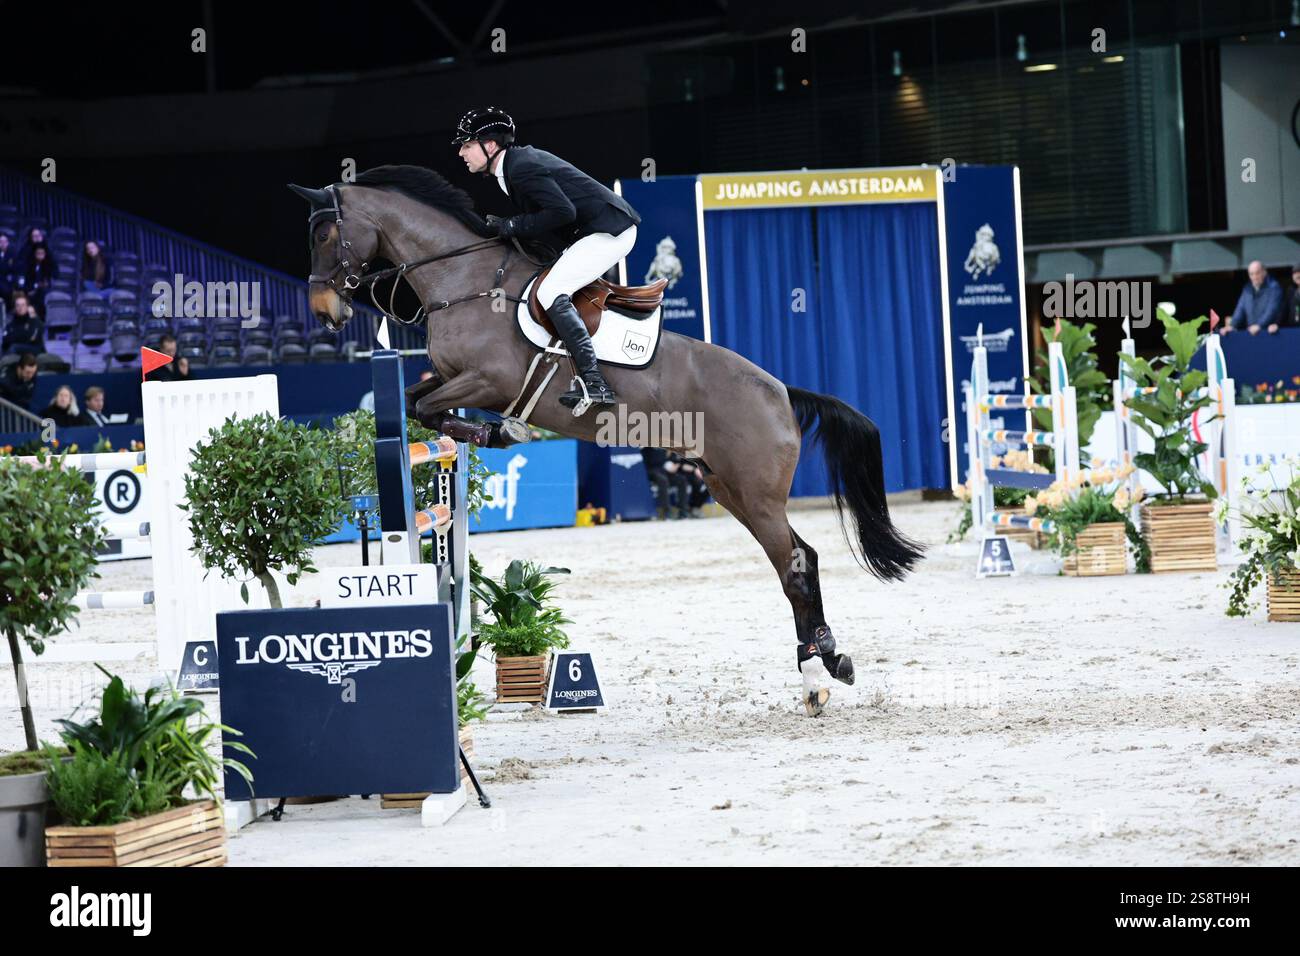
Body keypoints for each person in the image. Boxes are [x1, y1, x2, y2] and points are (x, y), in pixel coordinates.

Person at [453, 106, 640, 411]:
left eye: (467, 144)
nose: (461, 152)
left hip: (609, 231)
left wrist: (511, 225)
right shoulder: (511, 166)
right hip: (592, 231)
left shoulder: (520, 166)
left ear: (489, 145)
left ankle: (596, 385)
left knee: (551, 291)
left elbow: (562, 212)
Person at [1223, 261, 1284, 335]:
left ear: (1264, 272)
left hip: (1268, 333)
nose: (1255, 277)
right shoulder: (1247, 289)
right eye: (1251, 274)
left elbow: (1272, 310)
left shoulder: (1274, 287)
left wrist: (1259, 325)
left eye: (1257, 273)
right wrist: (1232, 325)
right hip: (1252, 333)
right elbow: (1240, 309)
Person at [19, 244, 57, 311]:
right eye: (38, 253)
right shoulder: (30, 264)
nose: (40, 255)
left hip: (43, 289)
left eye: (42, 253)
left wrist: (37, 288)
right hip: (31, 288)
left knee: (40, 295)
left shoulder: (48, 265)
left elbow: (48, 281)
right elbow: (27, 278)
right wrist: (31, 289)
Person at [0, 233, 17, 302]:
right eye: (1, 242)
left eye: (5, 242)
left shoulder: (13, 253)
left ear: (8, 243)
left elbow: (15, 269)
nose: (3, 244)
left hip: (8, 281)